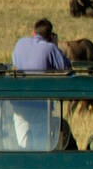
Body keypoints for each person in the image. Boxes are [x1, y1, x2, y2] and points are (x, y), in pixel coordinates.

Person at [9, 18, 69, 149]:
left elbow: (14, 63)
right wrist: (55, 45)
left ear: (33, 32)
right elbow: (66, 68)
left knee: (22, 143)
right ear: (49, 36)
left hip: (18, 103)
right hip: (40, 105)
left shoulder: (20, 43)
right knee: (40, 144)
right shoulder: (50, 48)